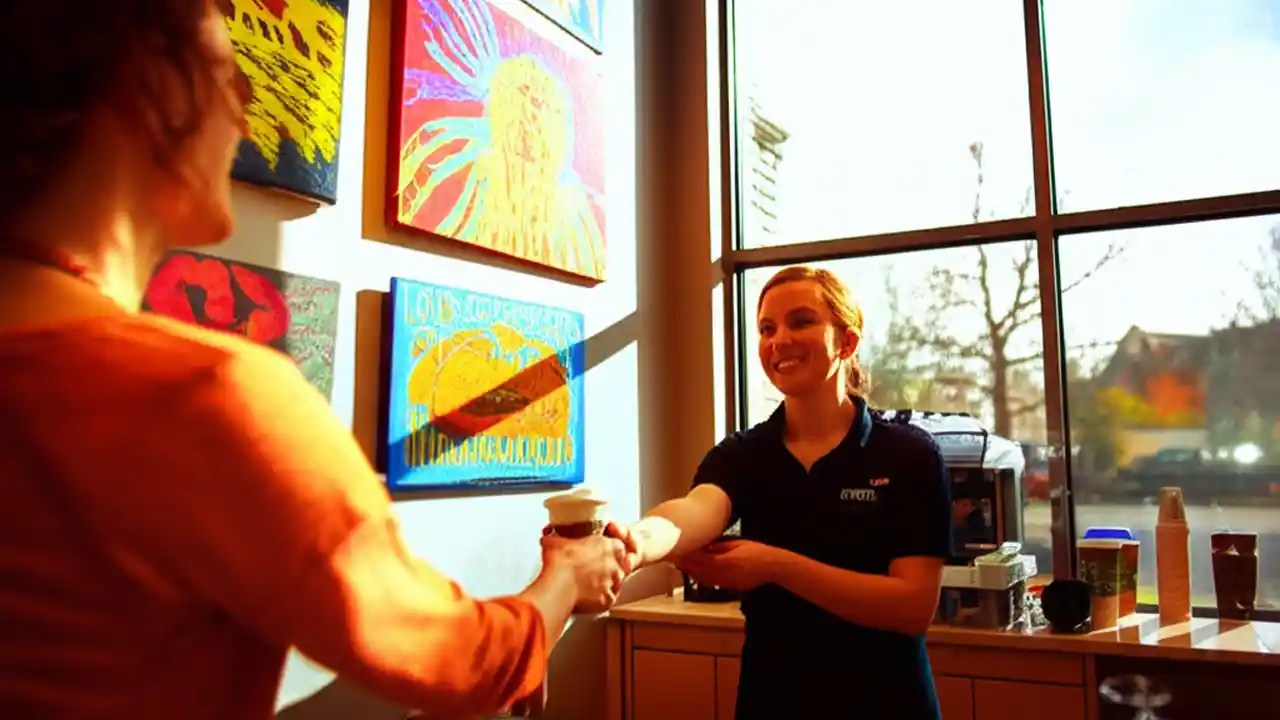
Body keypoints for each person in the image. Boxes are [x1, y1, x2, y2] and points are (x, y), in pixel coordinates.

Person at [0, 3, 630, 719]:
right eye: (229, 80)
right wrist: (566, 581)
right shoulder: (209, 397)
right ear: (143, 89)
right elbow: (459, 660)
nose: (243, 115)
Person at [619, 266, 952, 719]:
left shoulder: (909, 455)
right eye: (766, 328)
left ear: (847, 342)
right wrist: (634, 544)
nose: (779, 341)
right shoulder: (745, 453)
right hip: (774, 700)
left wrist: (775, 566)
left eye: (801, 322)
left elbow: (911, 607)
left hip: (889, 703)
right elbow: (695, 511)